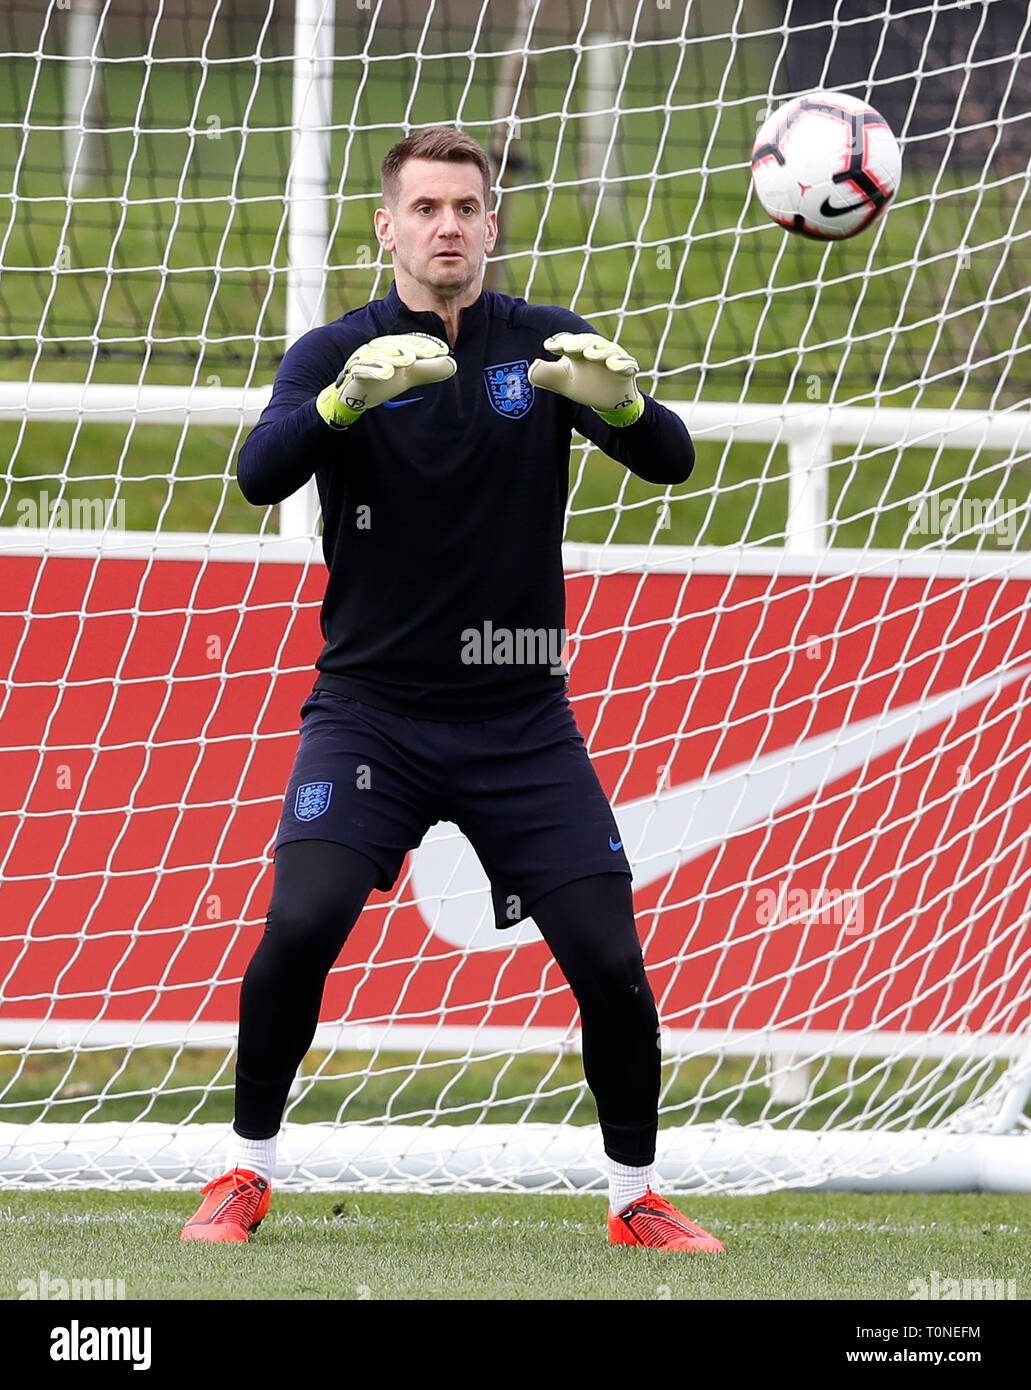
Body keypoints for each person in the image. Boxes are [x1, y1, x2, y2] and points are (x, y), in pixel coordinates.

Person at [180, 126, 723, 1254]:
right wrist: (339, 405)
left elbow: (669, 459)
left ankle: (634, 1196)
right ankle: (243, 1175)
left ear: (489, 225)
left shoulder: (540, 345)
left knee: (611, 962)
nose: (446, 227)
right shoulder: (339, 348)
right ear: (386, 226)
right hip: (370, 713)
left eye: (465, 209)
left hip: (520, 715)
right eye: (424, 208)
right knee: (302, 923)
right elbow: (256, 474)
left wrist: (618, 404)